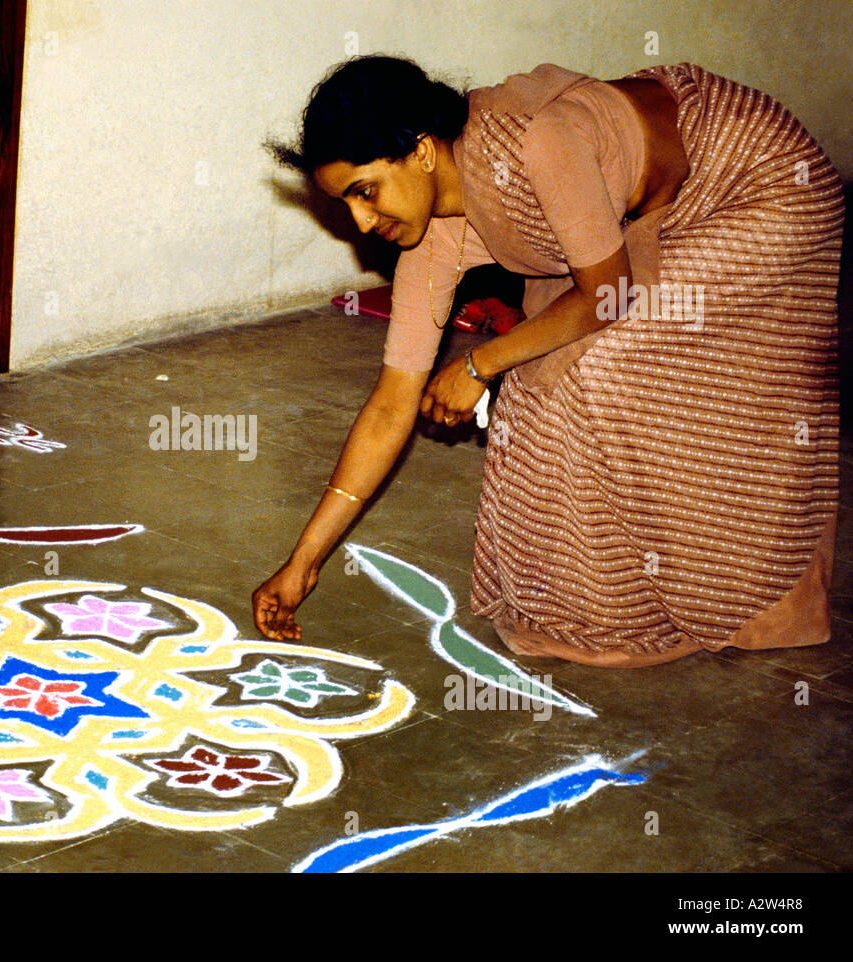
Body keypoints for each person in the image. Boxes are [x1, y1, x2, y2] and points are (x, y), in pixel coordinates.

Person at [253, 56, 843, 667]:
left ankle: (751, 594)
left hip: (758, 182)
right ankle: (625, 600)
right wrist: (302, 566)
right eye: (345, 203)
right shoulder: (432, 233)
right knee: (540, 385)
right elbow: (390, 406)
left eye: (365, 191)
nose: (361, 220)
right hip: (655, 214)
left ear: (423, 152)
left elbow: (607, 297)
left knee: (601, 369)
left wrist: (480, 364)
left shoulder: (541, 146)